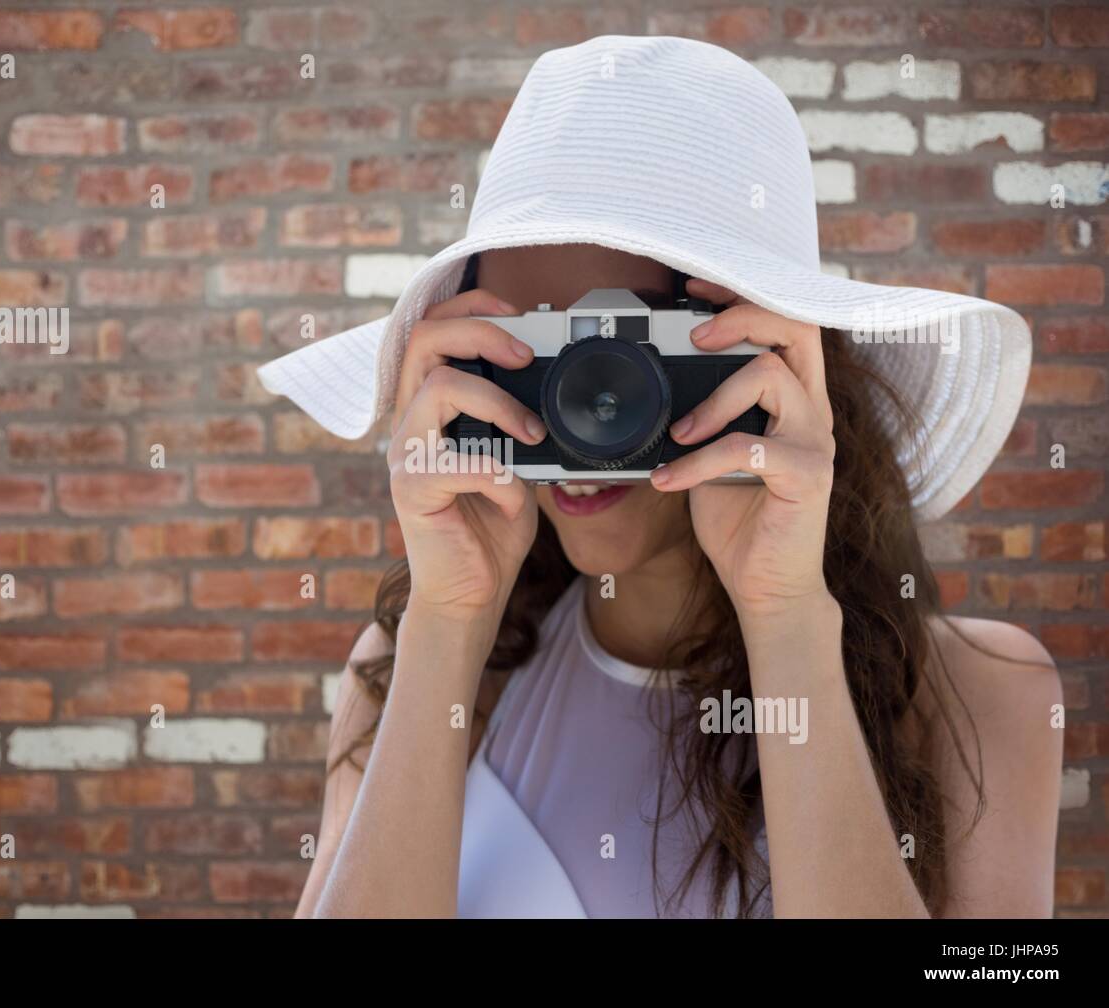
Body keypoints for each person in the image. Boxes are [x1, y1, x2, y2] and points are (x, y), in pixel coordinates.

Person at [256, 36, 1061, 918]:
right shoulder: (399, 668)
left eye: (620, 359)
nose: (580, 408)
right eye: (531, 350)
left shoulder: (983, 693)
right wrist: (446, 626)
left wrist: (787, 619)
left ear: (769, 361)